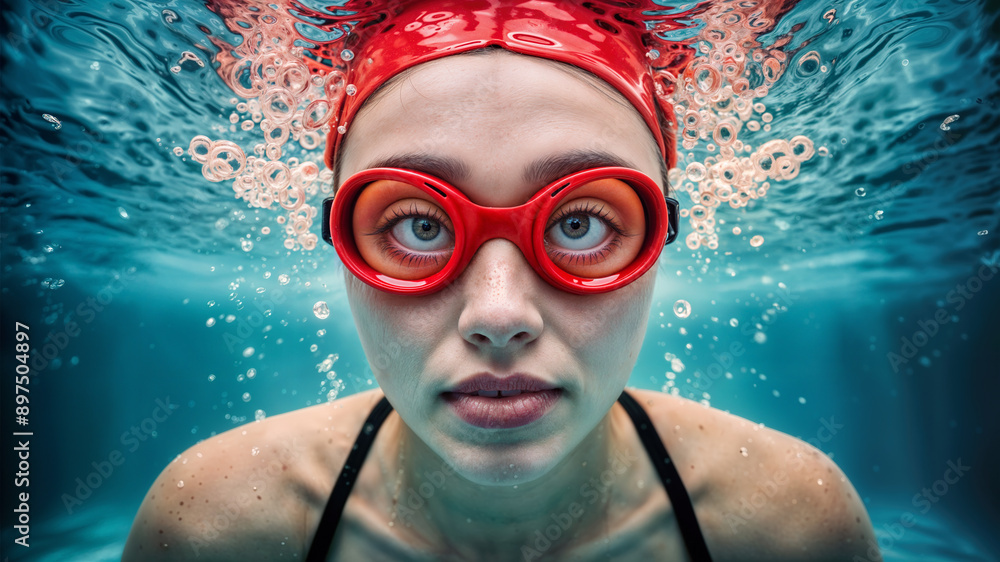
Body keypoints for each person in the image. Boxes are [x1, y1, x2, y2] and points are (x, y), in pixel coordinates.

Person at [123, 1, 878, 560]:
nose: (498, 315)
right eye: (419, 225)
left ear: (664, 231)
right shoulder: (215, 527)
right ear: (336, 234)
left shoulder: (791, 527)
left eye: (578, 224)